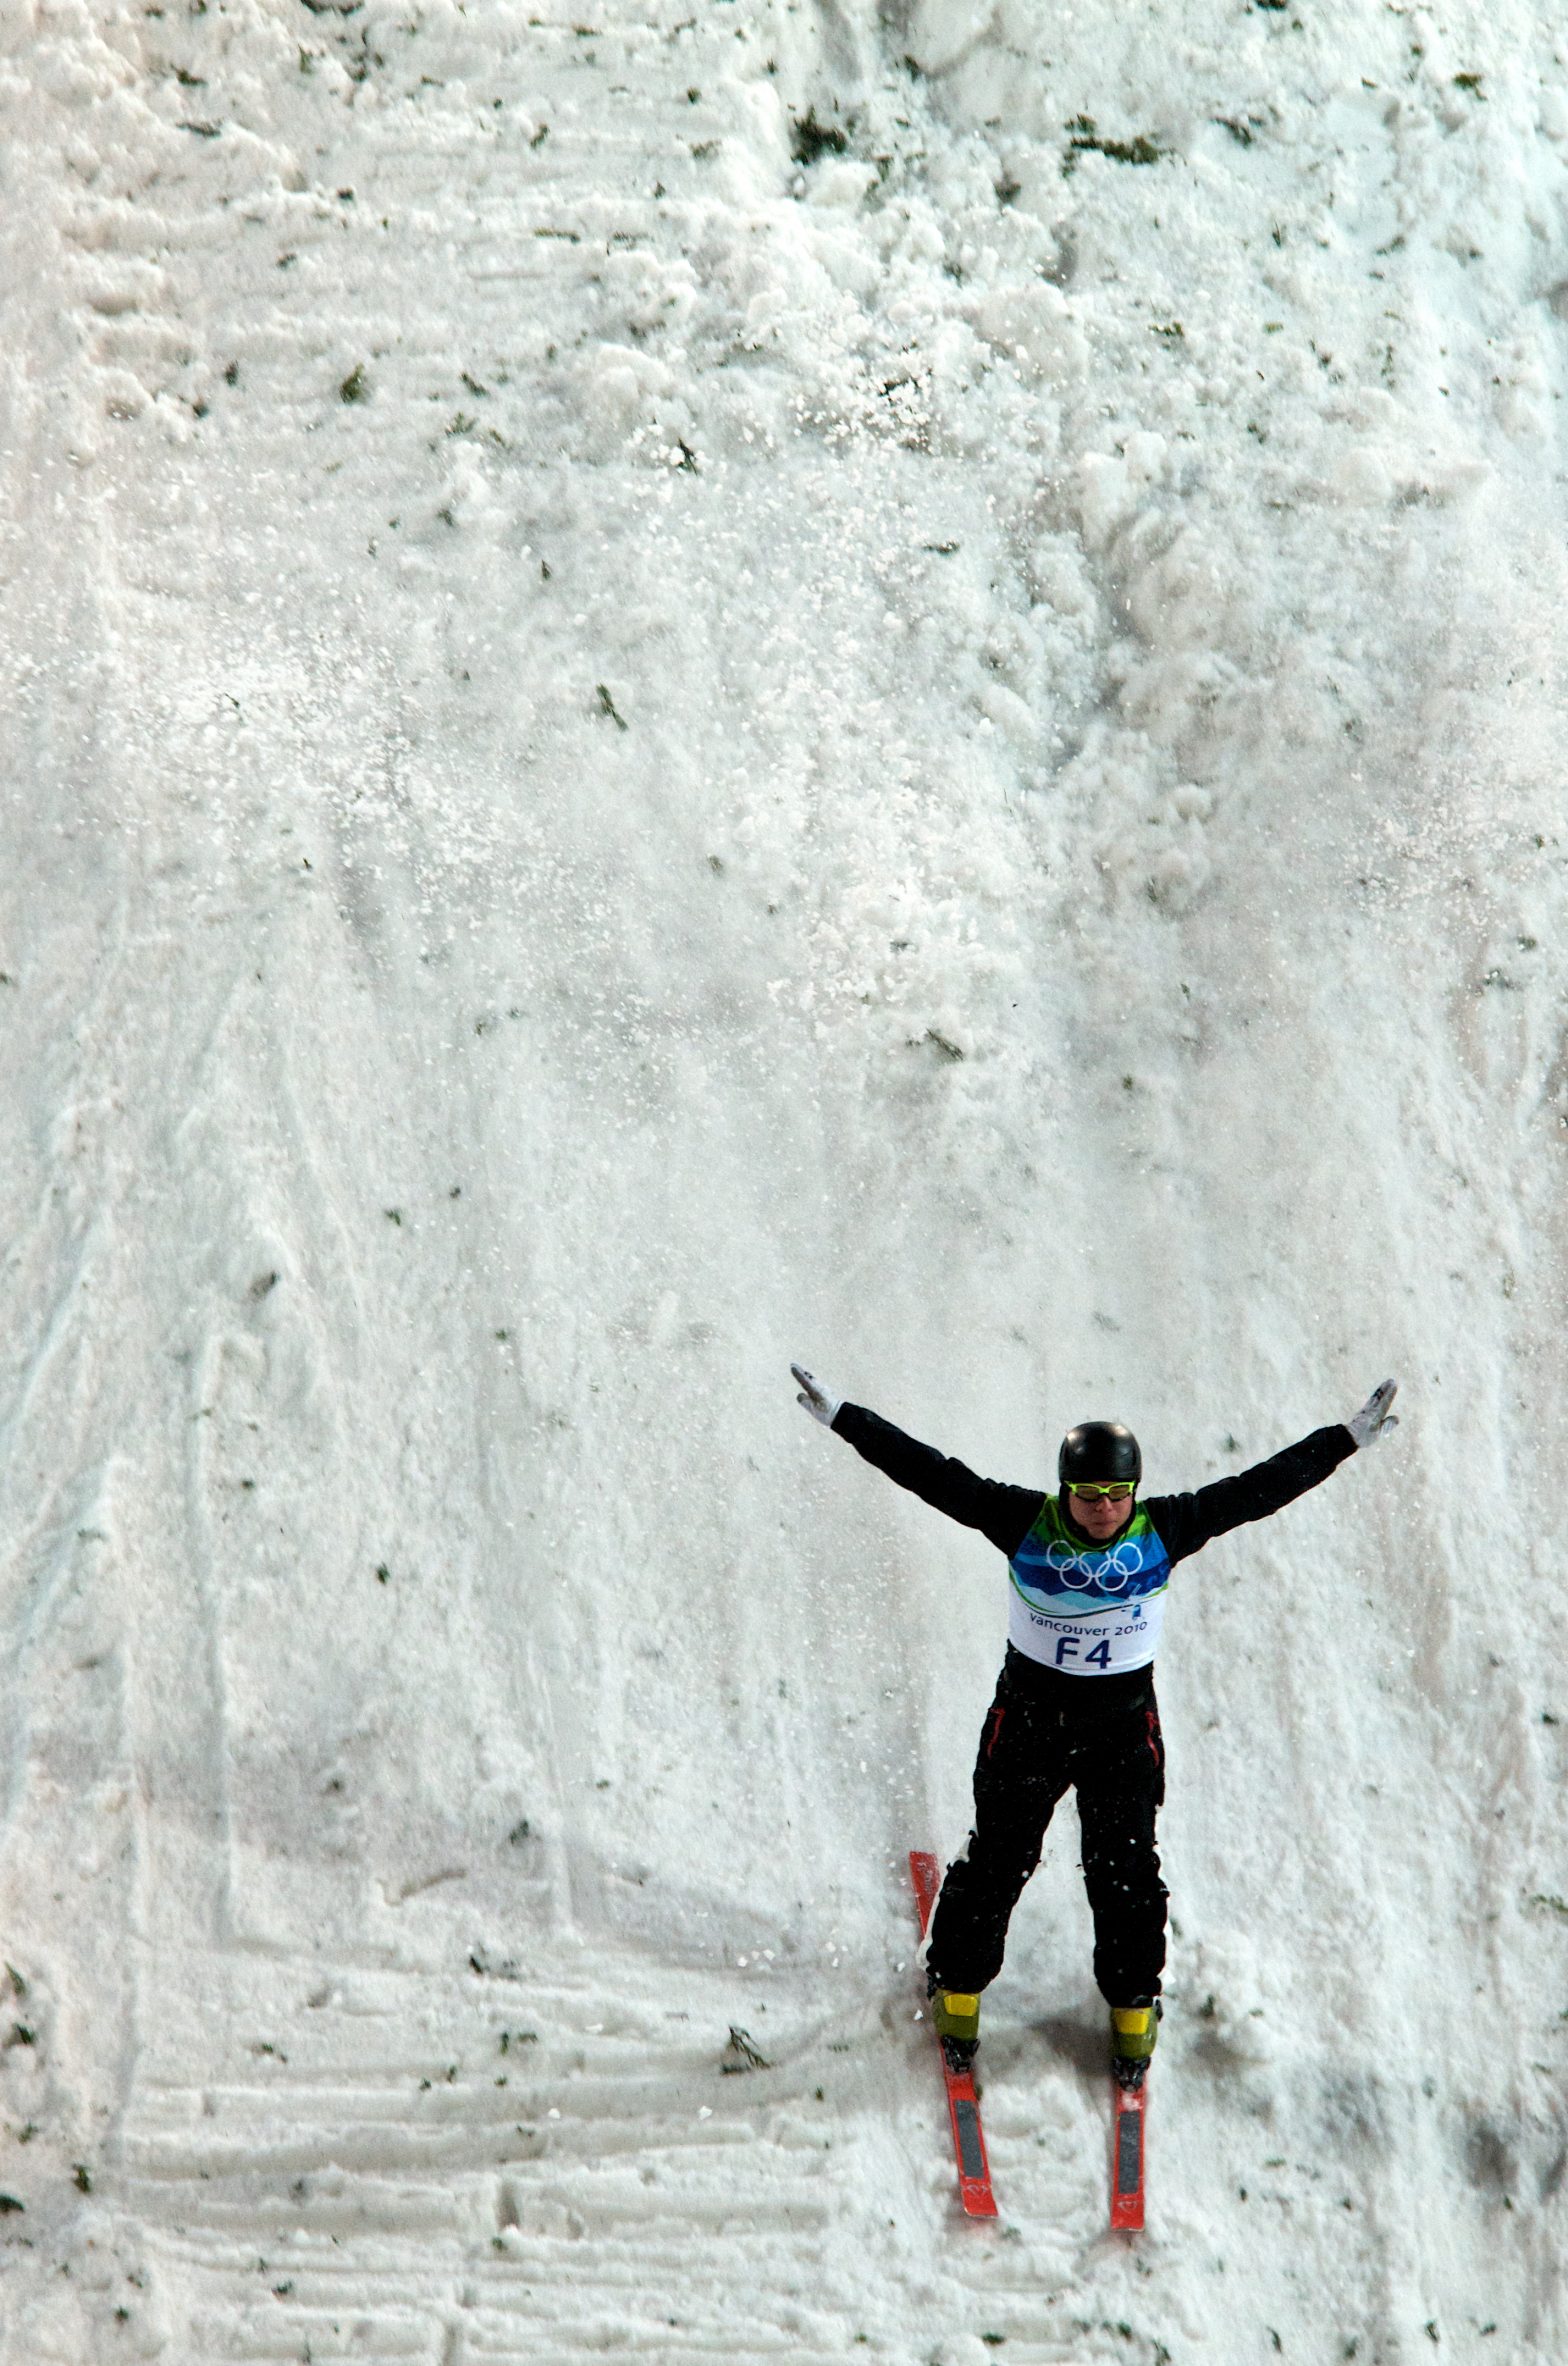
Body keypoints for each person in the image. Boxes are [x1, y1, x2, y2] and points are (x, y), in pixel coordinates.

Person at [790, 1364, 1399, 2086]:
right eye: (1087, 1494)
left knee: (1126, 1869)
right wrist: (845, 1418)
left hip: (1121, 1733)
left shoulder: (1166, 1529)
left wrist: (1345, 1440)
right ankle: (957, 1986)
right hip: (1028, 1723)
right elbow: (933, 1475)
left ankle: (1134, 2003)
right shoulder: (1023, 1522)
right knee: (1000, 1857)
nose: (1102, 1507)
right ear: (1065, 1490)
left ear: (1132, 1492)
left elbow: (1259, 1489)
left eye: (1115, 1494)